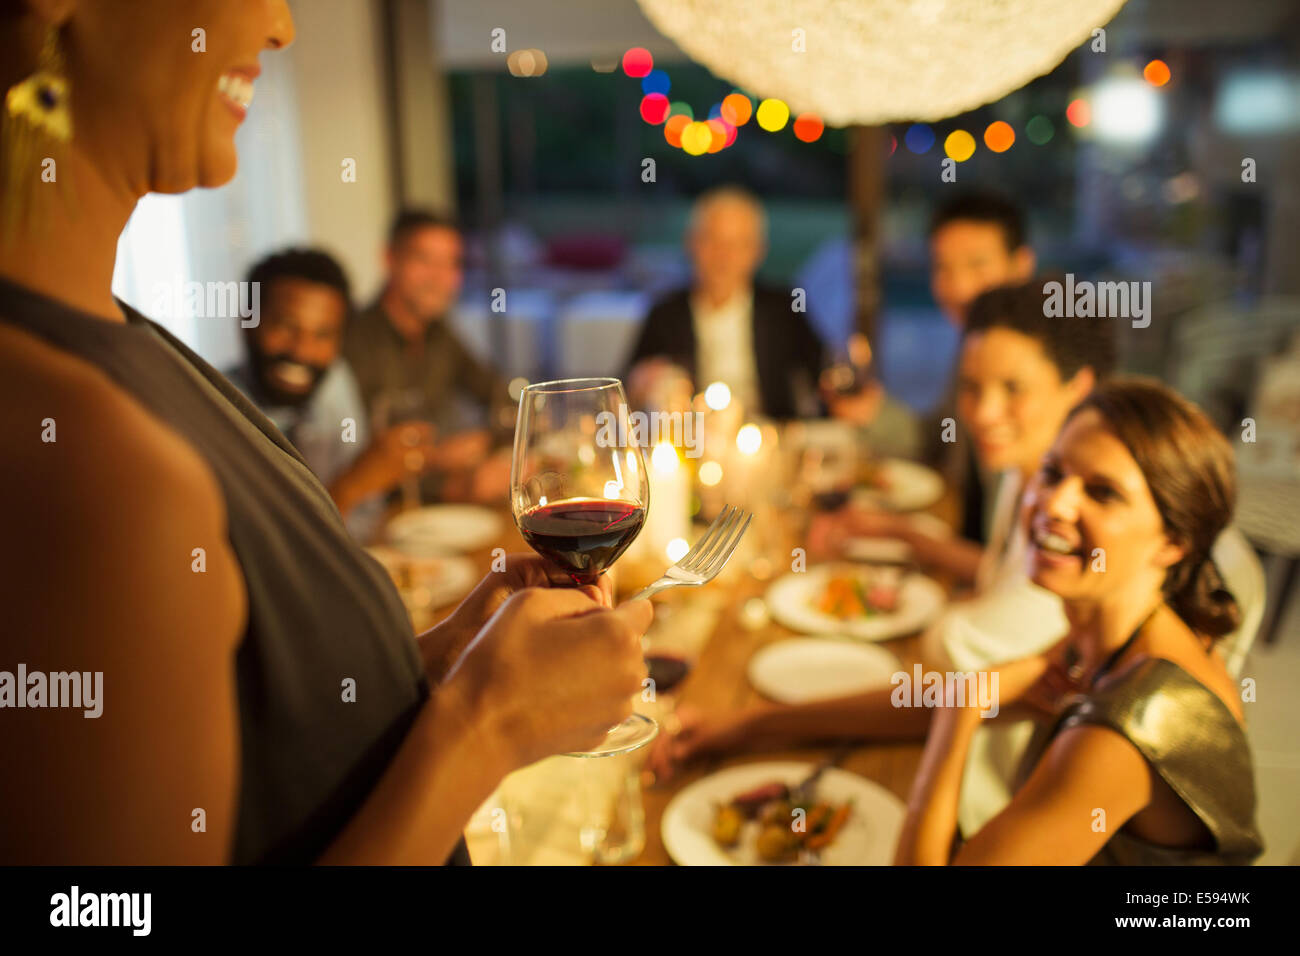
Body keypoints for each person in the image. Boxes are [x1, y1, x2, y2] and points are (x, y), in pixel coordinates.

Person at [0, 0, 651, 865]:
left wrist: (439, 660)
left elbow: (273, 751)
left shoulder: (122, 339)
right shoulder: (76, 452)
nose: (281, 26)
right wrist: (488, 728)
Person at [649, 282, 1114, 783]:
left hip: (971, 794)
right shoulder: (1025, 480)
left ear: (1077, 387)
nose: (981, 413)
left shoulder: (1066, 541)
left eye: (1013, 389)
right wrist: (903, 533)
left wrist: (748, 726)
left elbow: (925, 704)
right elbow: (1000, 571)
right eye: (972, 386)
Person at [895, 379, 1265, 864]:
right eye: (1053, 472)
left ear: (1172, 542)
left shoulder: (1129, 724)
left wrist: (960, 707)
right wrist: (764, 724)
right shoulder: (1117, 630)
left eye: (1103, 492)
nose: (1055, 503)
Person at [627, 186, 915, 445]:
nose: (723, 256)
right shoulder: (665, 312)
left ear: (757, 251)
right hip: (693, 447)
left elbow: (824, 373)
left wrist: (849, 399)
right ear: (692, 244)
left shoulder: (783, 307)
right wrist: (640, 385)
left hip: (771, 445)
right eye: (712, 241)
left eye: (738, 244)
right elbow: (626, 391)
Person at [225, 247, 439, 541]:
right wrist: (350, 485)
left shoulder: (334, 381)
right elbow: (263, 556)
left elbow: (362, 522)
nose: (302, 350)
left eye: (323, 335)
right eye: (286, 326)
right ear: (247, 324)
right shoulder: (210, 408)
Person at [343, 208, 511, 504]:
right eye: (425, 260)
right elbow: (354, 464)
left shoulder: (438, 333)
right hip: (375, 519)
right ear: (389, 260)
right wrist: (438, 461)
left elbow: (499, 395)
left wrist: (488, 440)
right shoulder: (353, 342)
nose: (441, 278)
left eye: (452, 264)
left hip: (433, 504)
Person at [926, 191, 1037, 544]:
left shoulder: (1038, 359)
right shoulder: (974, 343)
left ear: (1021, 265)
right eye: (944, 268)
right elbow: (940, 439)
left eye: (977, 265)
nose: (958, 287)